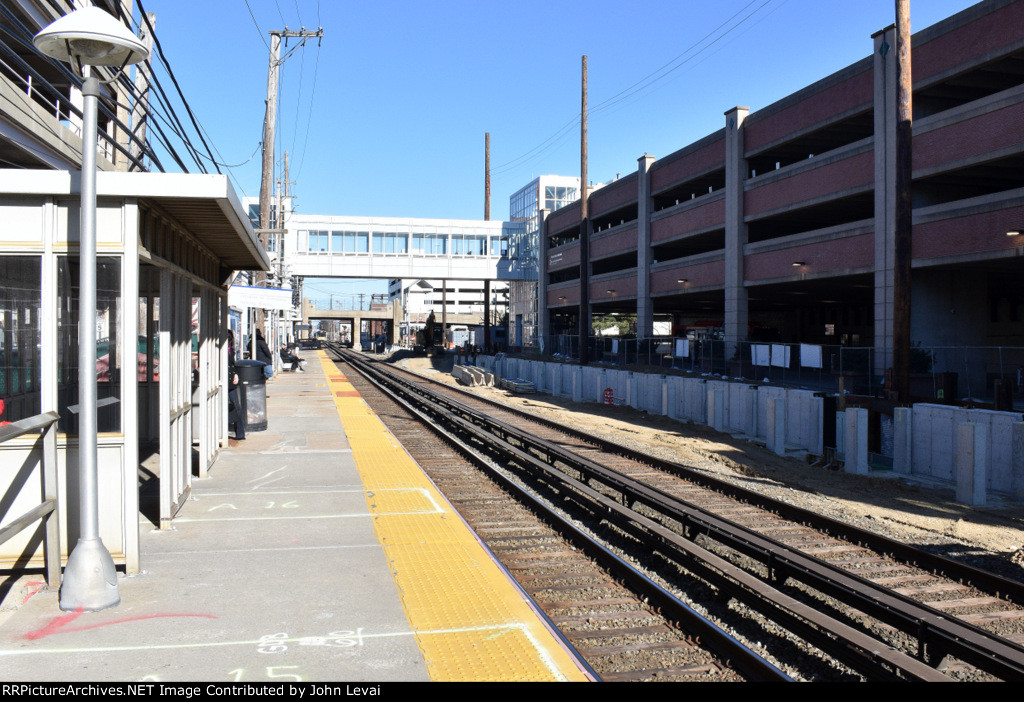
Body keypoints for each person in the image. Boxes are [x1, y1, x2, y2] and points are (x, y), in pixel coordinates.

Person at [227, 334, 245, 440]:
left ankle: (240, 433)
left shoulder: (231, 350)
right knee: (232, 406)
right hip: (223, 382)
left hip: (231, 382)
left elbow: (232, 365)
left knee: (237, 407)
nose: (229, 339)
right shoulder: (220, 349)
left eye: (230, 337)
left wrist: (236, 374)